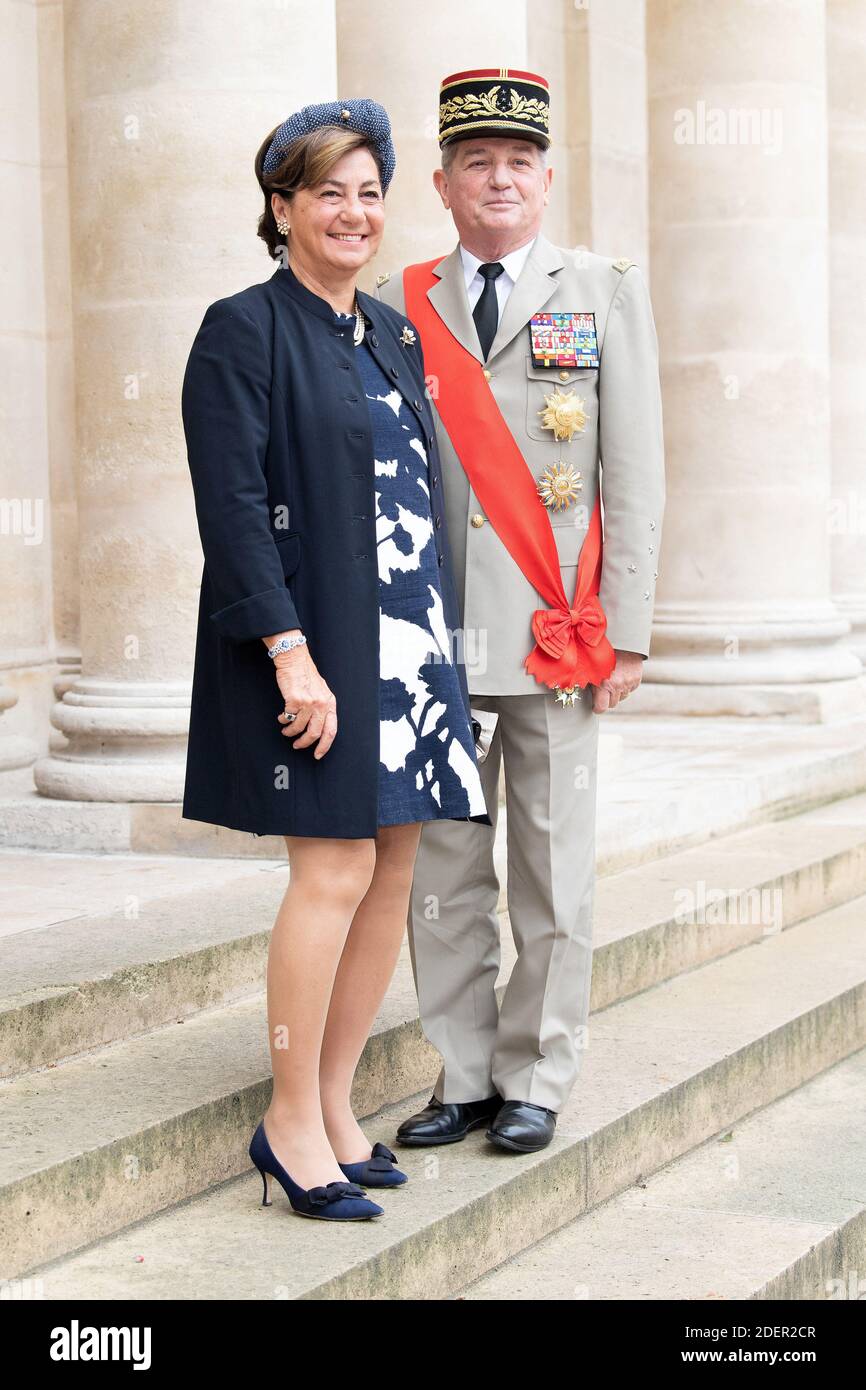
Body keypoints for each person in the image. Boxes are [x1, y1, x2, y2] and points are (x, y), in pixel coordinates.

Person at [180, 98, 490, 1221]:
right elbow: (233, 512)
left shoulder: (390, 334)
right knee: (331, 871)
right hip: (312, 647)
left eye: (368, 191)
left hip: (404, 647)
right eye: (327, 191)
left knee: (393, 870)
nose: (353, 212)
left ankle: (334, 1098)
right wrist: (288, 653)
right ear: (282, 207)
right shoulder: (240, 331)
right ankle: (286, 1117)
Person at [378, 67, 665, 1153]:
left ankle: (536, 1072)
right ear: (444, 185)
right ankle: (460, 1070)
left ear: (545, 180)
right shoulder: (400, 301)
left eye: (517, 161)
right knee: (443, 878)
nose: (497, 179)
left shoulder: (602, 291)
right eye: (474, 162)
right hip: (436, 645)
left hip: (557, 634)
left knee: (552, 866)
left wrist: (628, 630)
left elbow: (632, 470)